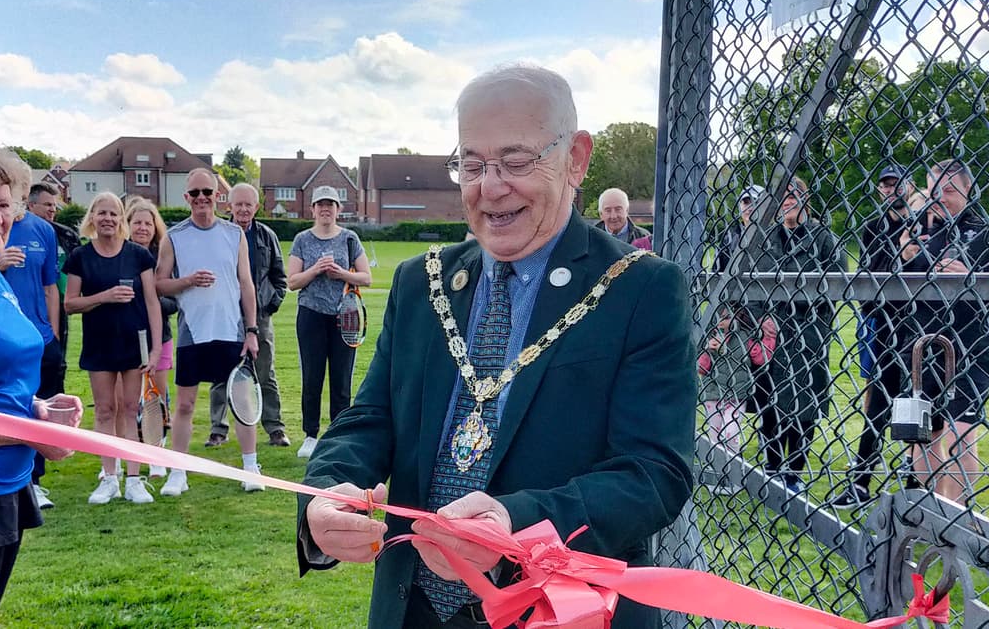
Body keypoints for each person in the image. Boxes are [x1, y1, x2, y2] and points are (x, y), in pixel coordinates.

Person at [298, 65, 695, 629]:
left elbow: (655, 472)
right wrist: (321, 497)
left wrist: (518, 523)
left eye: (515, 161)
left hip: (564, 613)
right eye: (472, 164)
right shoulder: (421, 282)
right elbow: (369, 419)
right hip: (414, 612)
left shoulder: (640, 287)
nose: (490, 186)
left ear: (575, 159)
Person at [0, 141, 82, 629]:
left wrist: (41, 409)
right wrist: (32, 432)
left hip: (8, 481)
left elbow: (0, 380)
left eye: (4, 204)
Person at [155, 169, 264, 495]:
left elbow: (246, 284)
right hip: (193, 333)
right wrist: (188, 281)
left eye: (207, 192)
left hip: (231, 331)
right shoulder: (174, 236)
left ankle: (250, 468)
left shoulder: (234, 235)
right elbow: (160, 282)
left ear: (218, 196)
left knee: (241, 402)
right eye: (195, 193)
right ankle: (178, 472)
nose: (202, 198)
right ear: (186, 198)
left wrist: (252, 330)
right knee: (185, 405)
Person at [740, 177, 844, 494]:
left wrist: (802, 303)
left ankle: (795, 469)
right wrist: (761, 319)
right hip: (771, 333)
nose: (788, 201)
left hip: (809, 330)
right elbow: (749, 284)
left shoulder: (824, 238)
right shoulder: (763, 238)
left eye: (794, 195)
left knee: (805, 402)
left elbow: (836, 285)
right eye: (783, 196)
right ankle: (773, 466)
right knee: (770, 401)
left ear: (805, 198)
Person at [896, 159, 989, 503]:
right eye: (934, 190)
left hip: (971, 347)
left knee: (961, 435)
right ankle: (932, 509)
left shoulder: (983, 231)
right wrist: (905, 256)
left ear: (968, 190)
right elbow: (887, 284)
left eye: (949, 190)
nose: (940, 197)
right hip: (921, 346)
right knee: (922, 437)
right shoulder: (920, 230)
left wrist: (971, 275)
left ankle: (956, 515)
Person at [834, 165, 924, 508]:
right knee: (878, 403)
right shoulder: (873, 227)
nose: (891, 190)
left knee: (917, 402)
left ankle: (915, 479)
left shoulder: (926, 223)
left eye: (897, 184)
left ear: (909, 186)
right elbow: (871, 277)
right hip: (886, 323)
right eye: (885, 185)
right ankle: (861, 481)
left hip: (921, 326)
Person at [64, 191, 162, 505]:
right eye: (101, 213)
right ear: (92, 217)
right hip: (99, 344)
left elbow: (152, 302)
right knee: (105, 410)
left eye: (113, 214)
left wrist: (157, 348)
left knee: (131, 410)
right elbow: (69, 304)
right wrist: (103, 297)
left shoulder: (138, 255)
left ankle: (134, 479)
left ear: (122, 219)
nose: (107, 219)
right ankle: (109, 478)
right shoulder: (81, 256)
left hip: (134, 344)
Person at [287, 185, 372, 458]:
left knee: (341, 378)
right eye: (320, 205)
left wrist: (341, 274)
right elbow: (292, 282)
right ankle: (310, 435)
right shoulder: (302, 239)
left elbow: (366, 277)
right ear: (313, 209)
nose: (326, 209)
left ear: (338, 209)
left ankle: (337, 434)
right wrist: (315, 270)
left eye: (331, 205)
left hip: (344, 314)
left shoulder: (349, 238)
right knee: (312, 376)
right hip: (311, 314)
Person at [207, 182, 291, 447]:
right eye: (238, 204)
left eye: (248, 204)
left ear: (256, 207)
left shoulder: (267, 236)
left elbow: (280, 278)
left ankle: (275, 428)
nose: (243, 209)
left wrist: (268, 305)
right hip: (224, 315)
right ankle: (218, 430)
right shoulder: (217, 234)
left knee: (265, 373)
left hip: (260, 316)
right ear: (228, 206)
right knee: (221, 372)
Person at [0, 180, 61, 510]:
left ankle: (36, 481)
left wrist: (55, 334)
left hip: (41, 337)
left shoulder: (44, 230)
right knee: (11, 407)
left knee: (44, 406)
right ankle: (17, 483)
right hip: (2, 339)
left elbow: (51, 286)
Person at [124, 197, 177, 477]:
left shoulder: (162, 258)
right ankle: (122, 456)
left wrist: (149, 301)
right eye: (137, 222)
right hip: (124, 338)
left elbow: (173, 301)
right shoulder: (118, 255)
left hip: (160, 338)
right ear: (128, 225)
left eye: (148, 223)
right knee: (126, 403)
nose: (143, 227)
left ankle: (157, 455)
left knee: (155, 398)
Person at [697, 303, 774, 494]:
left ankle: (734, 476)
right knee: (715, 436)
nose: (724, 322)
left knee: (730, 434)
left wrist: (769, 337)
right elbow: (700, 368)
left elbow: (761, 358)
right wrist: (708, 350)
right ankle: (718, 475)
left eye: (728, 317)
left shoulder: (745, 338)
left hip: (736, 395)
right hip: (713, 394)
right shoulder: (709, 337)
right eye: (720, 318)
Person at [27, 182, 81, 379]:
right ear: (30, 205)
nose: (52, 209)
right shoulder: (17, 233)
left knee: (57, 362)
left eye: (54, 205)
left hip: (59, 304)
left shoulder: (65, 235)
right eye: (47, 204)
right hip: (31, 303)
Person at [713, 184, 765, 271]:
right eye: (746, 203)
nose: (750, 208)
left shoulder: (775, 234)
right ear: (740, 207)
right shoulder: (729, 237)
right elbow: (716, 271)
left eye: (755, 202)